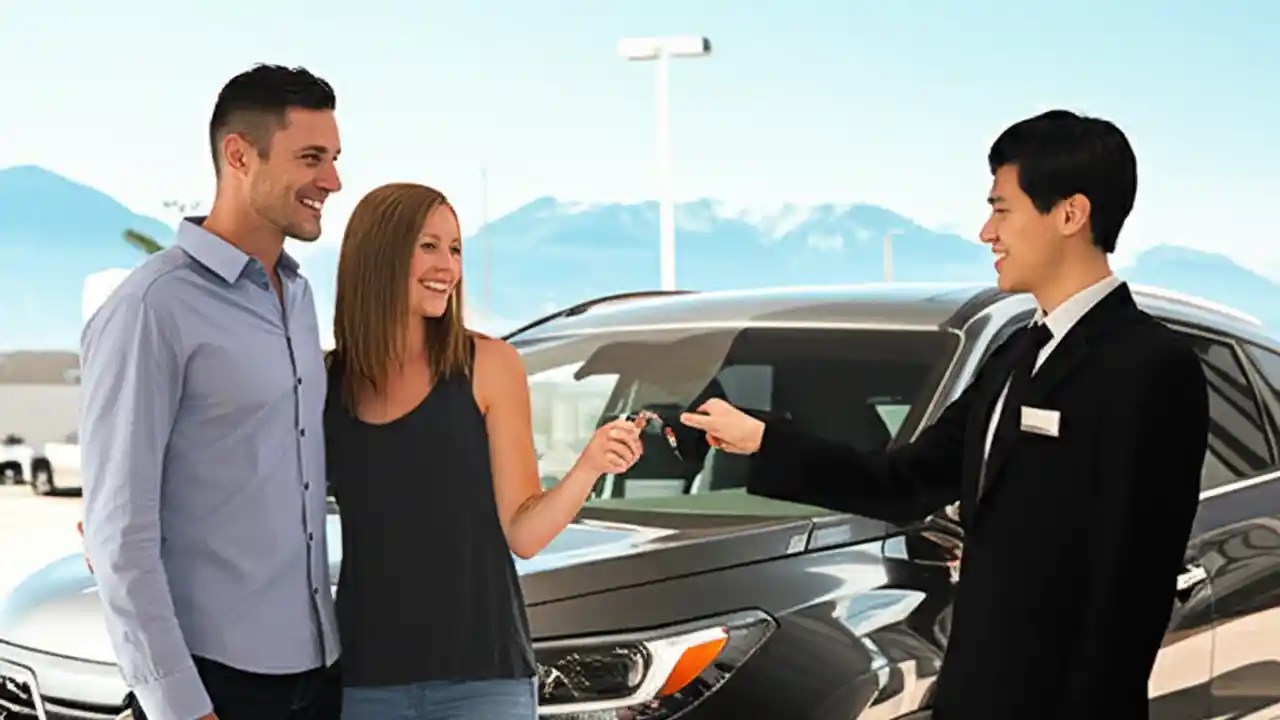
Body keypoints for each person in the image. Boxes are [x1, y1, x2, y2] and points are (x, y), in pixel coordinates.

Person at [679, 109, 1210, 719]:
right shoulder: (1017, 354)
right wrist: (762, 440)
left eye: (1002, 208)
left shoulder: (1149, 365)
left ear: (1070, 214)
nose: (988, 231)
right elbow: (904, 482)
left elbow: (1131, 588)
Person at [322, 181, 645, 719]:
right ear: (378, 253)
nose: (447, 266)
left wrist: (588, 466)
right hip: (363, 683)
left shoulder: (488, 366)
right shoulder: (327, 381)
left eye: (455, 249)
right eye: (428, 246)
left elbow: (523, 532)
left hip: (482, 681)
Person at [80, 64, 345, 720]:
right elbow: (120, 532)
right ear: (238, 156)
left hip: (318, 675)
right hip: (213, 687)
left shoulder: (301, 296)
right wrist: (178, 705)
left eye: (334, 159)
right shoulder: (151, 308)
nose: (333, 181)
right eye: (311, 158)